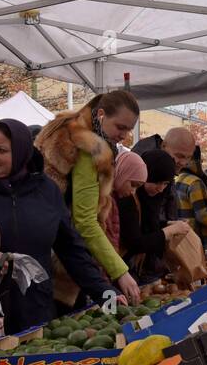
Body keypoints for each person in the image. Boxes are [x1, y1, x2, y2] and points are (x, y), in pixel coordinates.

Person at [0, 119, 114, 332]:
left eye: (0, 150)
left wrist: (106, 293)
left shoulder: (46, 190)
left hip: (33, 307)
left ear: (21, 153)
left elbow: (71, 248)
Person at [36, 91, 142, 305]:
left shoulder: (65, 128)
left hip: (43, 243)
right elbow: (85, 221)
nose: (124, 136)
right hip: (61, 259)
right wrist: (120, 271)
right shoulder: (90, 150)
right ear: (101, 114)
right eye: (120, 127)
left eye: (128, 130)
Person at [115, 149, 191, 279]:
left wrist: (167, 225)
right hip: (119, 272)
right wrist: (169, 231)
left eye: (166, 184)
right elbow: (135, 242)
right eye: (157, 182)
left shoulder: (149, 199)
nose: (161, 189)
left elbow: (145, 225)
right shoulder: (127, 197)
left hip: (135, 271)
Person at [165, 127, 207, 247]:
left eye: (187, 157)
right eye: (179, 156)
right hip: (198, 242)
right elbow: (204, 215)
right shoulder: (194, 182)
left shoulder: (177, 178)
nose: (183, 162)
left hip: (180, 242)